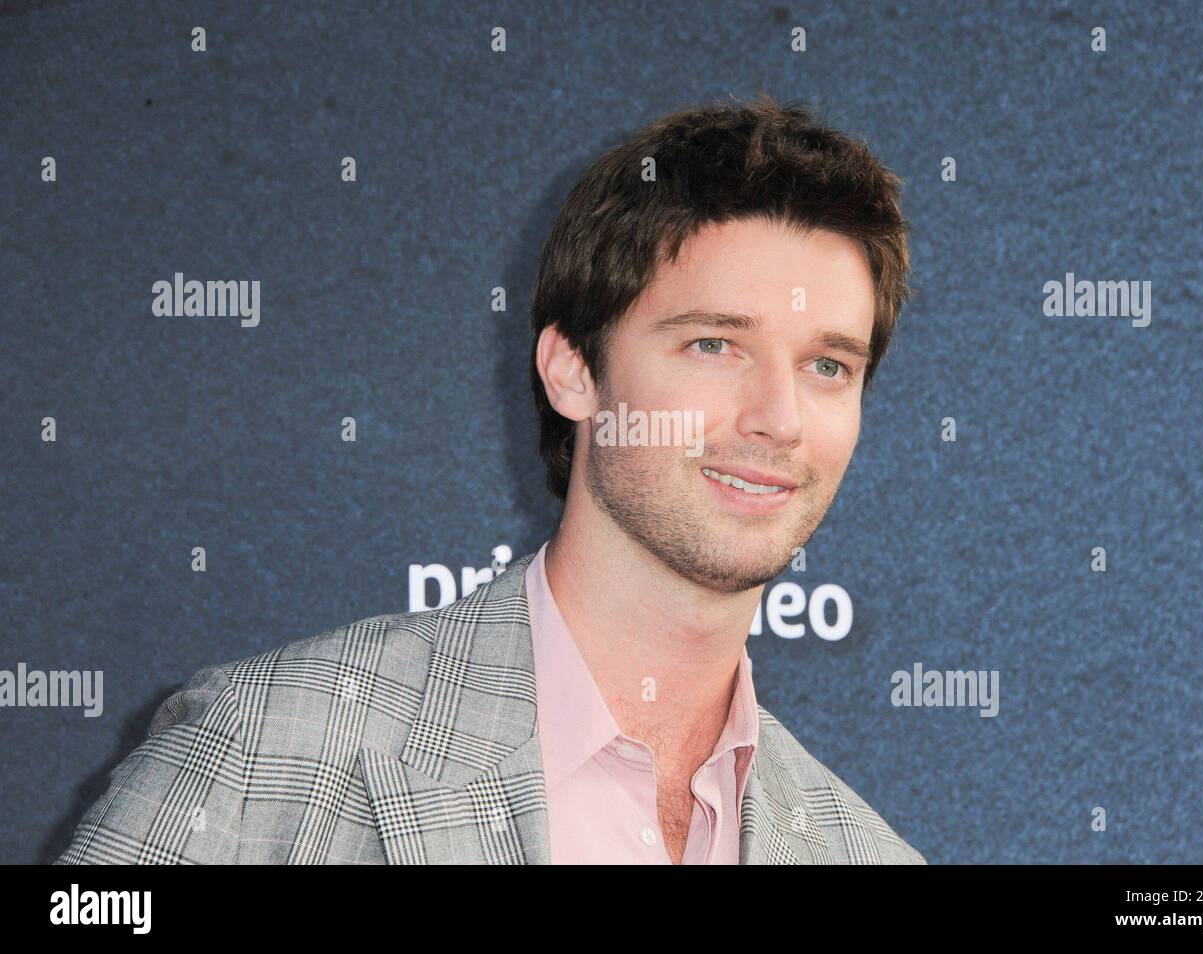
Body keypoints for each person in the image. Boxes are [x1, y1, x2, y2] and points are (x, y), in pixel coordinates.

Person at [57, 94, 924, 864]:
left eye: (828, 366)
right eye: (713, 344)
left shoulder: (865, 852)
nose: (778, 416)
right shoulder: (266, 760)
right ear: (572, 371)